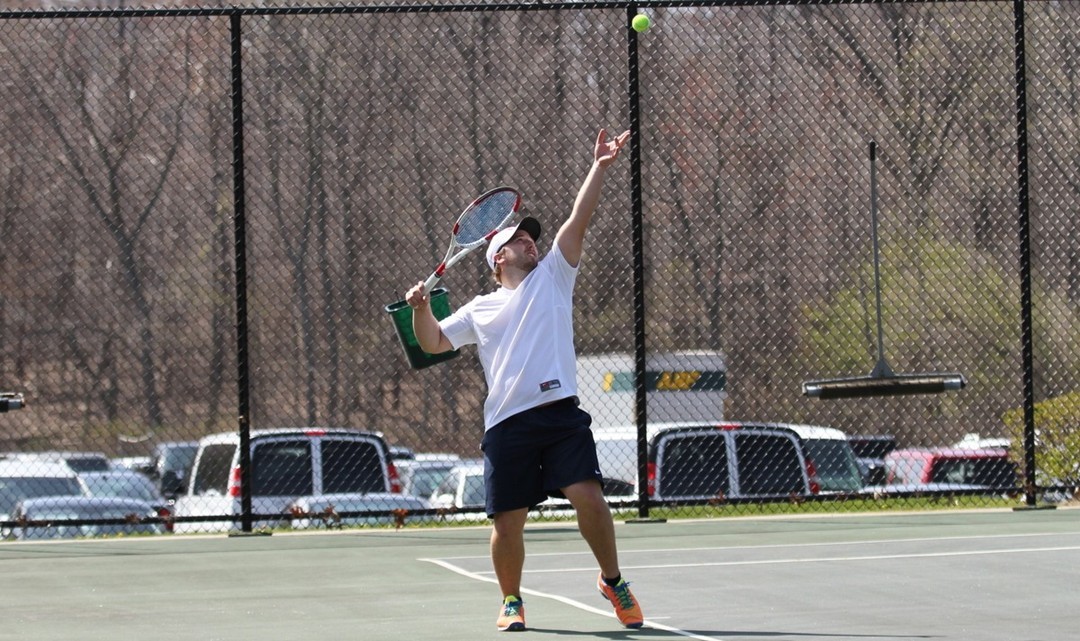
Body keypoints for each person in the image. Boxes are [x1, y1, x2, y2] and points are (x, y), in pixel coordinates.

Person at [405, 128, 643, 632]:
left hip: (561, 415)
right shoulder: (479, 308)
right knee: (507, 522)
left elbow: (578, 220)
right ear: (497, 258)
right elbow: (431, 343)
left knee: (589, 497)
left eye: (529, 234)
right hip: (507, 425)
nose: (528, 239)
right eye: (517, 238)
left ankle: (613, 580)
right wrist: (421, 309)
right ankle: (512, 600)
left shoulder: (555, 274)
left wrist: (600, 166)